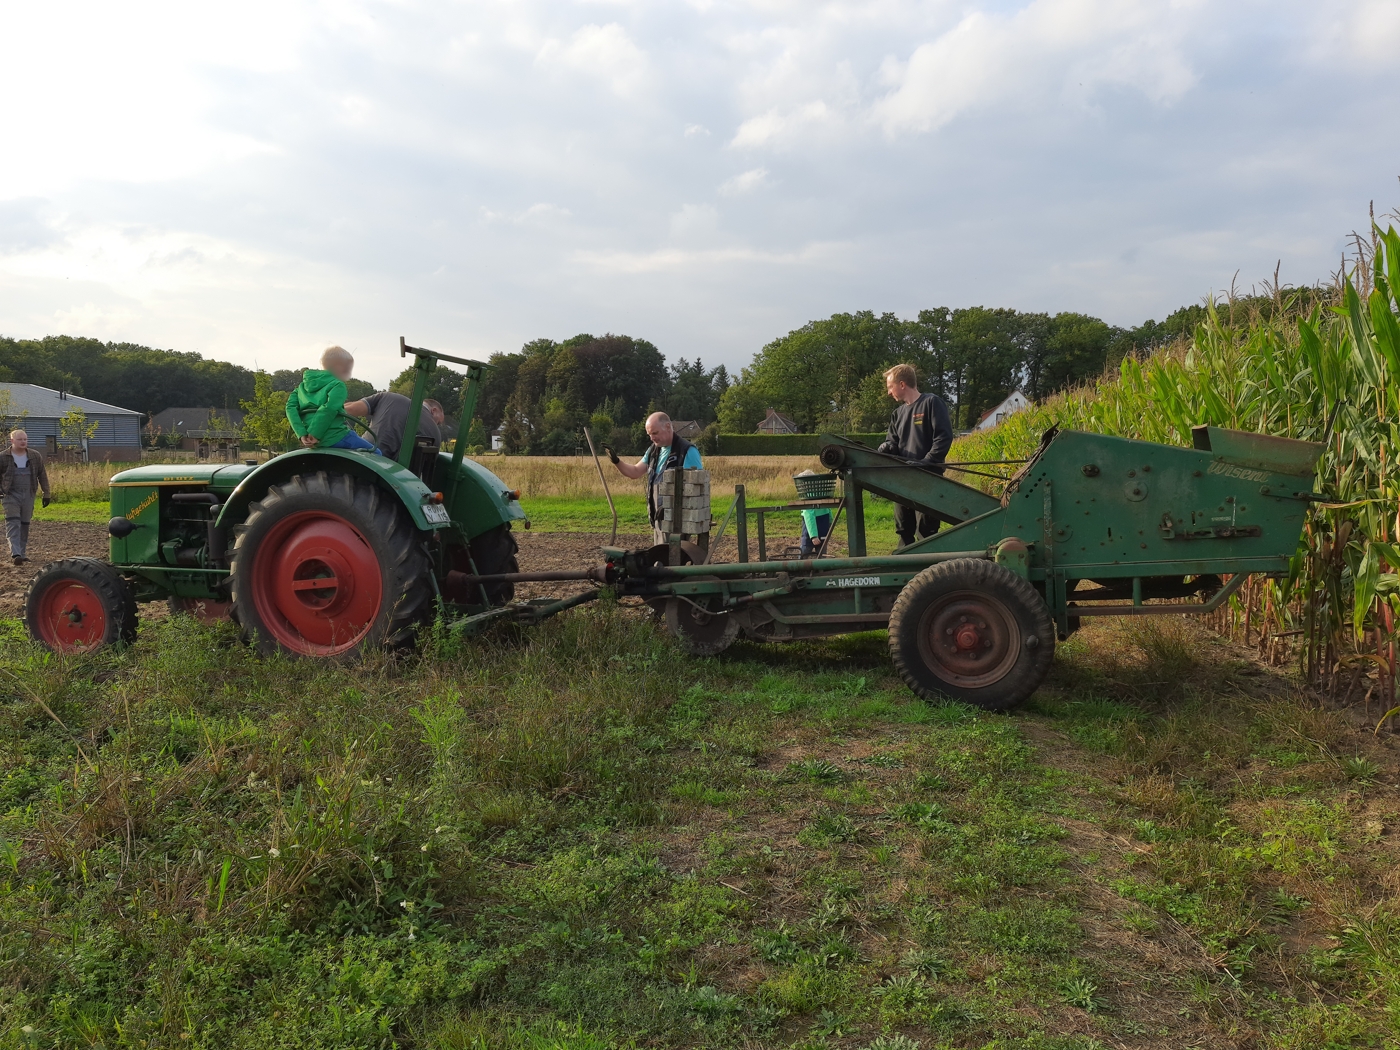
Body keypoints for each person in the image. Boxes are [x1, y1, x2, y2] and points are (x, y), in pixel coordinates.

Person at [876, 363, 954, 548]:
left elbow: (943, 438)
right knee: (903, 529)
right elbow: (892, 442)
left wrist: (926, 462)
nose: (889, 392)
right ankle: (905, 571)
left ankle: (927, 574)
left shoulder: (931, 403)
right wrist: (887, 446)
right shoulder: (898, 414)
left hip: (928, 479)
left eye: (890, 387)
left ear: (902, 384)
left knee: (926, 532)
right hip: (903, 481)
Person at [603, 412, 703, 544]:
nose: (652, 438)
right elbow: (635, 472)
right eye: (649, 434)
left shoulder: (687, 451)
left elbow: (696, 489)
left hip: (676, 522)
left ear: (668, 427)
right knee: (660, 557)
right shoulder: (653, 451)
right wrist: (616, 461)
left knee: (672, 561)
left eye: (654, 433)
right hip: (658, 519)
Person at [285, 346, 381, 454]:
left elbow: (290, 409)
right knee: (376, 453)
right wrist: (315, 434)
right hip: (335, 436)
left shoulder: (300, 388)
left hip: (310, 441)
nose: (349, 376)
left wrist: (302, 434)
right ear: (338, 367)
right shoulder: (337, 385)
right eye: (347, 370)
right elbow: (329, 408)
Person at [1, 429, 52, 565]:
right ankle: (15, 553)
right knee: (13, 522)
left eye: (25, 439)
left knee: (24, 523)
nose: (23, 442)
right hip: (10, 494)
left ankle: (22, 554)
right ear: (12, 441)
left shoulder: (35, 456)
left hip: (29, 493)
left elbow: (42, 475)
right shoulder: (3, 457)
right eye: (20, 439)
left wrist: (46, 493)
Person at [343, 393, 444, 462]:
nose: (436, 425)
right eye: (438, 422)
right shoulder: (436, 435)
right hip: (399, 478)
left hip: (366, 458)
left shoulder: (389, 397)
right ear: (433, 410)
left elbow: (351, 409)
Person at [794, 470, 832, 557]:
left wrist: (813, 536)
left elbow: (809, 517)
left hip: (810, 532)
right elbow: (829, 512)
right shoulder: (822, 494)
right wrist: (829, 525)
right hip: (824, 527)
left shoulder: (807, 498)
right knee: (822, 553)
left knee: (804, 552)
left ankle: (799, 569)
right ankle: (822, 570)